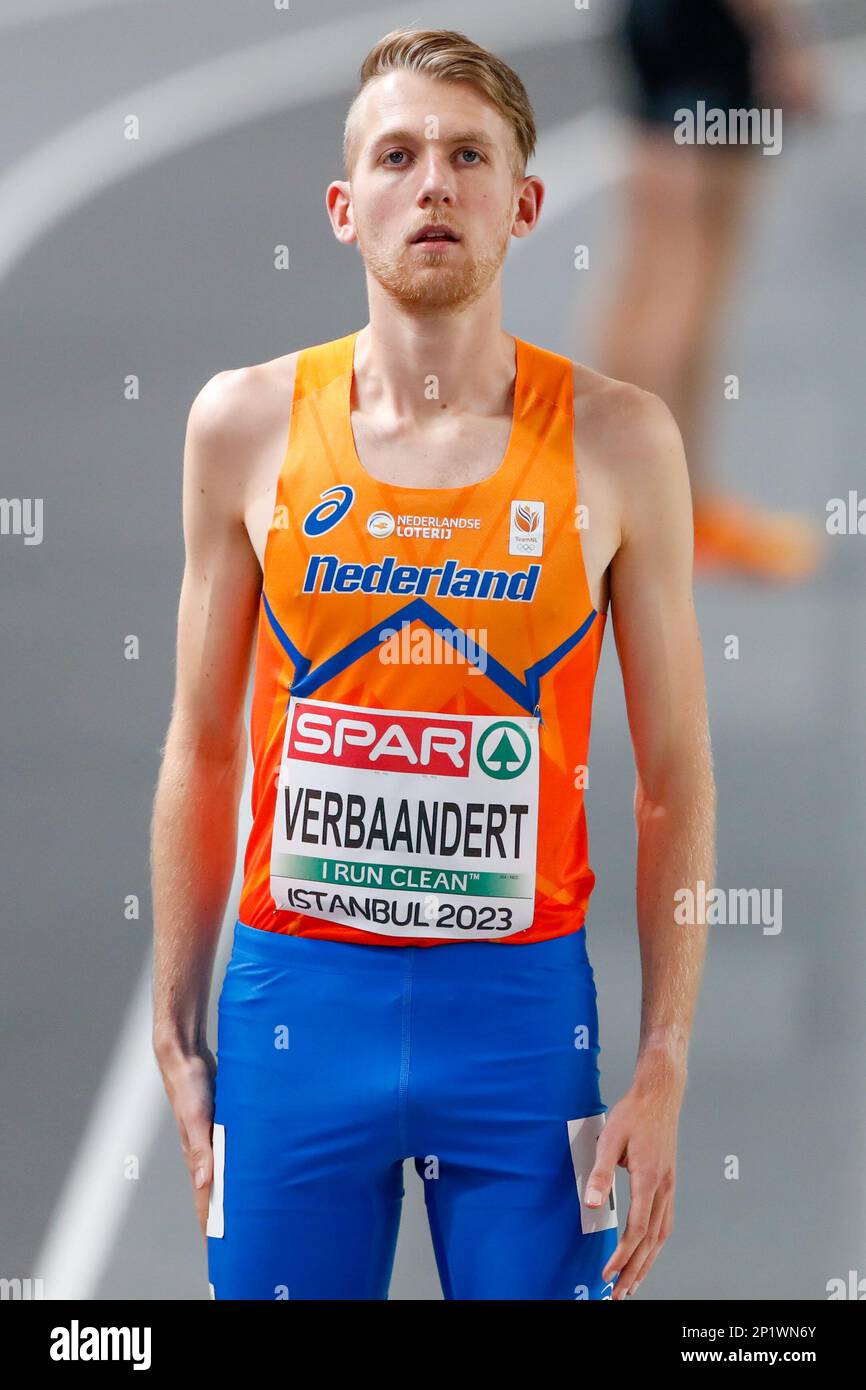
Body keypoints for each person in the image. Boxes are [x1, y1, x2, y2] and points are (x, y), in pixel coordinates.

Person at [151, 27, 715, 1301]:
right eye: (398, 156)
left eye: (468, 156)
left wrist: (663, 1058)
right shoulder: (243, 424)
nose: (434, 184)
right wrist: (176, 1028)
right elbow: (201, 742)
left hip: (520, 1030)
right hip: (296, 1016)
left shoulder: (620, 442)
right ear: (348, 210)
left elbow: (675, 776)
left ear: (522, 201)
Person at [597, 0, 825, 580]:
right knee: (693, 276)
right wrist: (782, 38)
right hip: (708, 35)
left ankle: (613, 491)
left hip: (648, 23)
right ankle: (680, 515)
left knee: (646, 265)